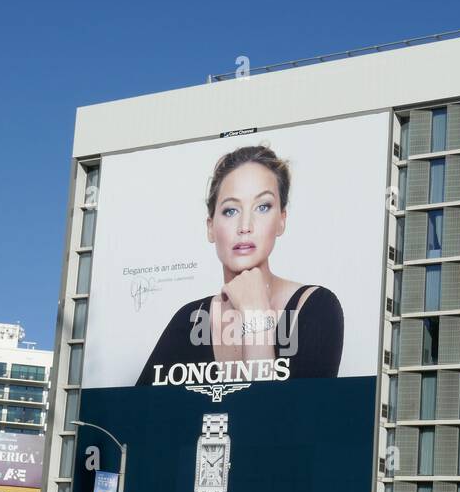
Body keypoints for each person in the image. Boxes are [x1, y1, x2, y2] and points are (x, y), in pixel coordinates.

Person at [136, 145, 344, 385]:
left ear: (281, 221)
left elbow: (279, 420)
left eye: (263, 207)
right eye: (231, 210)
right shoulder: (189, 320)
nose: (245, 225)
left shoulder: (316, 308)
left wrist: (255, 314)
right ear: (210, 227)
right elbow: (134, 417)